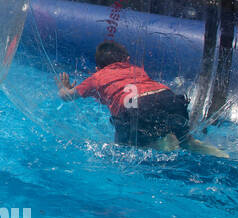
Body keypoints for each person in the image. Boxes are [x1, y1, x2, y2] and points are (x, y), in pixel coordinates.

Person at [56, 40, 227, 156]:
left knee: (125, 148)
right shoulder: (136, 69)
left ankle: (165, 145)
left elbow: (67, 97)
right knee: (188, 142)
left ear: (97, 68)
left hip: (137, 106)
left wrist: (64, 88)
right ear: (127, 60)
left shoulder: (97, 77)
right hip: (170, 98)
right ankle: (221, 155)